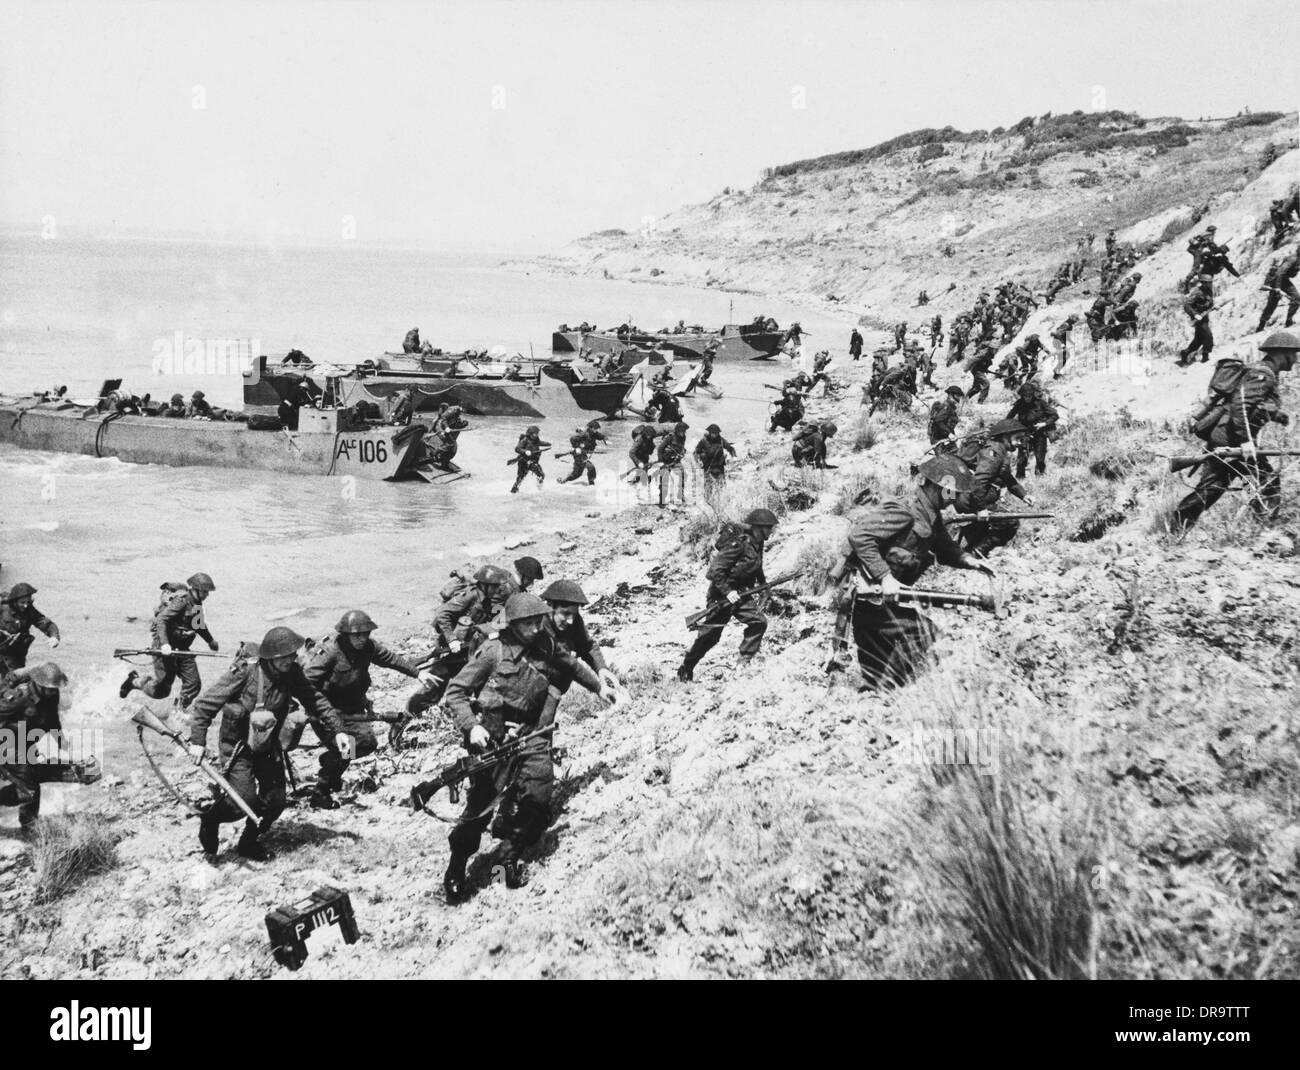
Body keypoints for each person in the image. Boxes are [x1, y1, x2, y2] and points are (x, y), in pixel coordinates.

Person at [441, 593, 616, 901]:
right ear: (516, 624)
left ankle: (507, 858)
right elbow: (455, 692)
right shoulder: (492, 651)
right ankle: (457, 867)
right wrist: (473, 727)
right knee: (481, 807)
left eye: (539, 622)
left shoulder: (545, 646)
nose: (538, 628)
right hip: (494, 738)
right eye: (531, 623)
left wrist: (599, 687)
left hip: (533, 733)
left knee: (538, 799)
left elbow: (572, 665)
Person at [832, 456, 994, 690]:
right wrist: (885, 577)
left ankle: (877, 701)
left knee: (877, 677)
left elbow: (945, 548)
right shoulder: (905, 509)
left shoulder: (930, 514)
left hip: (886, 601)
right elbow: (860, 536)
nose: (954, 499)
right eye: (952, 493)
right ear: (941, 488)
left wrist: (970, 562)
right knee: (924, 633)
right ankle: (883, 696)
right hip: (869, 599)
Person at [188, 627, 345, 860]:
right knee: (241, 801)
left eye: (294, 655)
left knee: (276, 801)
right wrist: (197, 741)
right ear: (272, 657)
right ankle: (211, 818)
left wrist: (339, 730)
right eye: (287, 656)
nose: (293, 659)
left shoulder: (292, 672)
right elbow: (204, 705)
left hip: (268, 746)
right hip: (238, 747)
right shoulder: (245, 672)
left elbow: (314, 699)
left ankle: (249, 843)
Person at [303, 610, 436, 809]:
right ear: (346, 634)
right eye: (357, 635)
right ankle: (321, 792)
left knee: (366, 744)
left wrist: (417, 673)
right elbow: (305, 683)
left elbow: (391, 659)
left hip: (354, 707)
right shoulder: (330, 652)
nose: (362, 639)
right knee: (347, 747)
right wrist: (317, 710)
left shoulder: (368, 647)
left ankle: (331, 760)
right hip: (328, 711)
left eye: (366, 634)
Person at [1172, 330, 1299, 530]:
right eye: (1293, 354)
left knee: (1227, 486)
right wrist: (1245, 441)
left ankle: (1263, 527)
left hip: (1231, 437)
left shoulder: (1263, 372)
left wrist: (1279, 416)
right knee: (1218, 488)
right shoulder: (1263, 374)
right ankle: (1265, 527)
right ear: (1280, 353)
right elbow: (1241, 406)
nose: (1295, 359)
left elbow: (1254, 406)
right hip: (1231, 440)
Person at [676, 508, 777, 681]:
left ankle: (744, 661)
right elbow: (715, 570)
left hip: (742, 594)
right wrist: (728, 591)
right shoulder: (739, 544)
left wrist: (764, 586)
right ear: (759, 528)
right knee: (710, 637)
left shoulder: (757, 544)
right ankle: (686, 667)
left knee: (759, 622)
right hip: (721, 595)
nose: (771, 531)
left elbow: (757, 566)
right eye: (769, 528)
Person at [407, 565, 511, 716]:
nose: (496, 590)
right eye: (494, 587)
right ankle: (407, 716)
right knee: (434, 687)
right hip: (450, 650)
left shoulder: (488, 601)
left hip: (466, 651)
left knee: (470, 684)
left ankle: (464, 713)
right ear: (484, 585)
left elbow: (494, 622)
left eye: (497, 587)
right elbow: (442, 613)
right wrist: (451, 639)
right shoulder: (470, 596)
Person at [120, 573, 218, 710]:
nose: (207, 594)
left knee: (193, 684)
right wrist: (165, 644)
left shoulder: (197, 604)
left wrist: (210, 641)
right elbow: (161, 620)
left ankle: (178, 712)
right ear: (195, 589)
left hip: (182, 649)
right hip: (164, 647)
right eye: (205, 591)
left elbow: (199, 625)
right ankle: (135, 681)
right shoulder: (181, 602)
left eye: (208, 592)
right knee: (162, 690)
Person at [0, 662, 70, 831]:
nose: (55, 691)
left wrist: (61, 742)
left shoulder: (52, 696)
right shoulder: (21, 697)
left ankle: (29, 825)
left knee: (32, 782)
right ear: (40, 685)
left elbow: (53, 720)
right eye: (51, 688)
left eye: (56, 688)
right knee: (28, 791)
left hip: (25, 744)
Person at [955, 418, 1035, 557]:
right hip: (972, 500)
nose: (1020, 443)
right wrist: (981, 509)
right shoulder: (994, 452)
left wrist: (1023, 495)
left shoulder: (1000, 451)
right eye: (1017, 438)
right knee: (1010, 522)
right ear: (1005, 437)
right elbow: (978, 482)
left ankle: (968, 548)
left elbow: (1008, 479)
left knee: (979, 533)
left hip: (972, 498)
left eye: (1022, 439)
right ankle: (978, 552)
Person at [541, 579, 621, 694]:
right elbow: (565, 661)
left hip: (555, 691)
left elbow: (587, 647)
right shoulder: (537, 626)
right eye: (566, 613)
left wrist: (601, 668)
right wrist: (597, 688)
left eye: (573, 614)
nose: (570, 621)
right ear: (550, 606)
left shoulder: (574, 621)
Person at [0, 583, 60, 673]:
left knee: (16, 682)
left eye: (28, 602)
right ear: (14, 601)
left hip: (16, 657)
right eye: (22, 602)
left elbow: (47, 624)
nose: (26, 605)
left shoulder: (30, 611)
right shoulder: (3, 608)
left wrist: (54, 637)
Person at [1007, 381, 1059, 478]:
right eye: (1025, 396)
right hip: (1025, 434)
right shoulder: (1019, 404)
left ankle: (1039, 479)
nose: (1027, 398)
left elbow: (1054, 415)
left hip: (1039, 434)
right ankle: (1020, 480)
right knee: (1022, 460)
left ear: (1033, 394)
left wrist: (1044, 424)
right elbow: (1009, 417)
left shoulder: (1041, 403)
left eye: (1029, 395)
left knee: (1040, 459)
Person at [1257, 247, 1300, 333]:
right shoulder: (1293, 259)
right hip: (1277, 280)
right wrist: (1277, 288)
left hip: (1284, 280)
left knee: (1296, 298)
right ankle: (1260, 326)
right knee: (1272, 304)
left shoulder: (1298, 259)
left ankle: (1288, 321)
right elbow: (1280, 273)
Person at [694, 423, 736, 496]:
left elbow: (729, 447)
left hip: (719, 467)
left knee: (721, 486)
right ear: (709, 432)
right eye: (713, 433)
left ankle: (720, 500)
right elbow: (696, 452)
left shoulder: (721, 440)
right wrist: (698, 461)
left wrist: (733, 454)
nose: (714, 435)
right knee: (708, 487)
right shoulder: (704, 441)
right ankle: (708, 501)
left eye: (716, 433)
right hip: (708, 467)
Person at [1178, 287, 1216, 366]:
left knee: (1199, 340)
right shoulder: (1197, 292)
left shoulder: (1209, 291)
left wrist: (1214, 307)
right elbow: (1186, 305)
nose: (1208, 284)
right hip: (1198, 320)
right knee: (1208, 336)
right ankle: (1205, 357)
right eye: (1206, 283)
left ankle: (1185, 353)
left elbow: (1209, 303)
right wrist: (1195, 314)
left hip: (1204, 318)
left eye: (1209, 282)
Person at [655, 421, 689, 505]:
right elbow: (660, 448)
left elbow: (682, 448)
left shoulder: (683, 437)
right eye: (682, 431)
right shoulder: (670, 437)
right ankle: (661, 500)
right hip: (665, 461)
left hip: (676, 461)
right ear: (678, 430)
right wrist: (660, 461)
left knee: (683, 475)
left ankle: (681, 496)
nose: (683, 433)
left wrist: (682, 453)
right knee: (664, 480)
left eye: (684, 431)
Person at [511, 426, 549, 493]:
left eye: (537, 433)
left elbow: (540, 443)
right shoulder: (525, 440)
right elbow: (517, 448)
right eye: (535, 433)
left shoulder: (536, 439)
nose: (536, 435)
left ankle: (539, 488)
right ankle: (514, 490)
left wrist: (549, 443)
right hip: (524, 461)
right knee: (520, 478)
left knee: (541, 475)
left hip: (533, 462)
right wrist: (525, 451)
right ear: (530, 434)